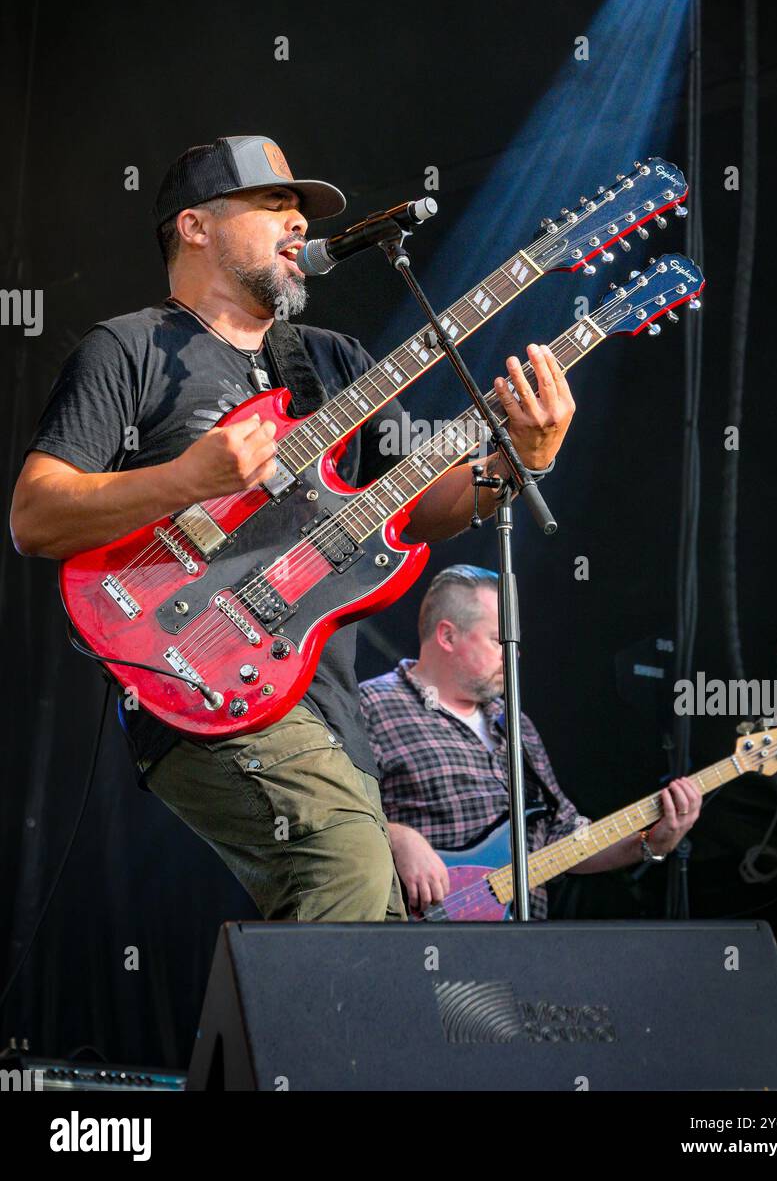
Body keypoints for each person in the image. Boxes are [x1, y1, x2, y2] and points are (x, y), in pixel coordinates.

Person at [10, 134, 576, 923]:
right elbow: (35, 515)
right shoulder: (127, 349)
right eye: (273, 204)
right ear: (195, 226)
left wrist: (518, 464)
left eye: (300, 212)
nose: (298, 224)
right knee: (343, 856)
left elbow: (417, 507)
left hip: (323, 699)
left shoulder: (333, 361)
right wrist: (186, 479)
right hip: (191, 672)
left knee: (374, 917)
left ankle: (273, 1051)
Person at [360, 564, 702, 918]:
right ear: (447, 636)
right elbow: (327, 818)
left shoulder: (515, 725)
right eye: (499, 640)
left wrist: (649, 844)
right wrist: (396, 837)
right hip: (420, 940)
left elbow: (565, 839)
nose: (514, 655)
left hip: (521, 944)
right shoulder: (369, 705)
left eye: (515, 644)